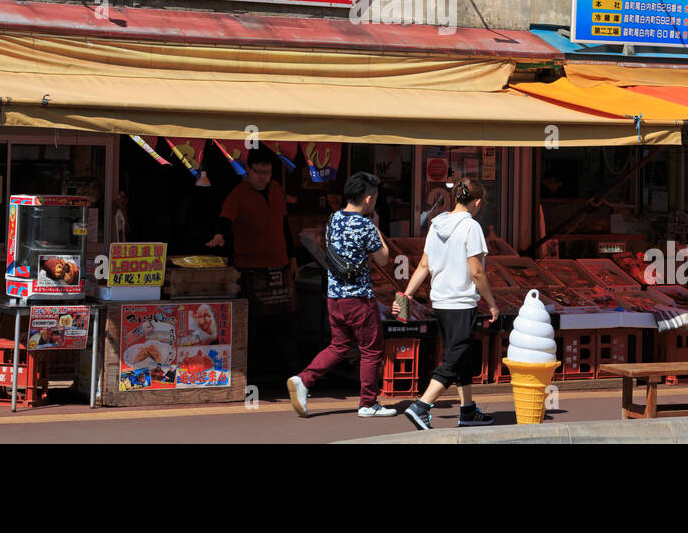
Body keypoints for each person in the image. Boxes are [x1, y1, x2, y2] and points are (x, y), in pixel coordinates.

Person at [287, 171, 397, 419]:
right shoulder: (365, 225)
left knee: (339, 345)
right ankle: (368, 403)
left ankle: (303, 380)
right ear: (369, 199)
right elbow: (384, 257)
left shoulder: (334, 219)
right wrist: (375, 227)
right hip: (359, 299)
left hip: (334, 298)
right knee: (371, 350)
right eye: (375, 198)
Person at [394, 177, 500, 430]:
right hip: (462, 302)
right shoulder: (471, 227)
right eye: (480, 204)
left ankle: (468, 411)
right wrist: (492, 303)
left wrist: (406, 294)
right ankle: (421, 405)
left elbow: (423, 266)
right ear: (476, 202)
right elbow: (477, 272)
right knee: (455, 357)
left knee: (460, 356)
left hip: (440, 301)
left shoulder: (437, 223)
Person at [208, 148, 299, 382]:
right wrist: (219, 235)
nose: (262, 177)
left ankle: (292, 377)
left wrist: (293, 258)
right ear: (248, 170)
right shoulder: (239, 193)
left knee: (286, 323)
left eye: (267, 173)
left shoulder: (277, 190)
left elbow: (285, 225)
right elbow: (224, 218)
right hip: (251, 268)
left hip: (280, 267)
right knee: (252, 325)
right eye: (258, 172)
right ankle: (249, 376)